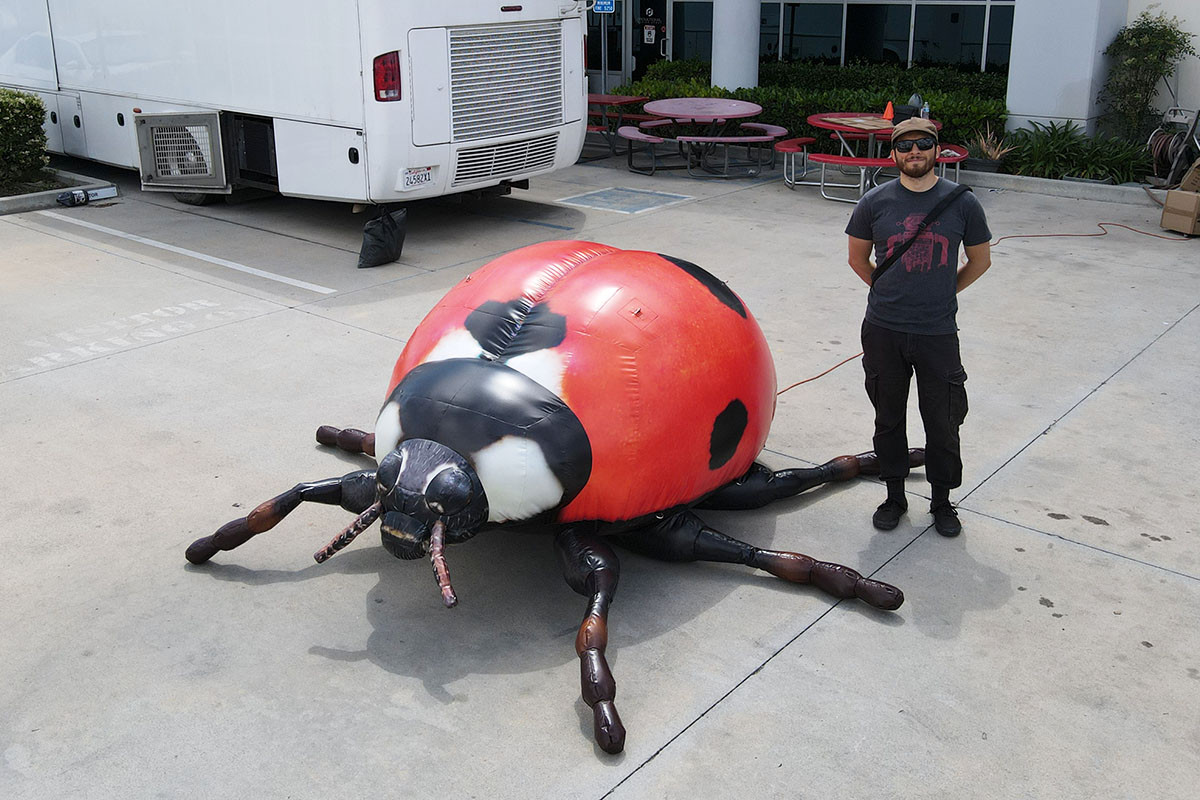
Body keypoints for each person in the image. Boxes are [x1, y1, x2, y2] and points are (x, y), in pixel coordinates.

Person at [845, 117, 992, 537]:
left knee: (943, 421)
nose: (914, 152)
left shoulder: (963, 203)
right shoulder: (873, 202)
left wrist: (944, 291)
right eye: (905, 145)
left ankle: (942, 501)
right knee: (888, 417)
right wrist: (888, 291)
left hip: (937, 332)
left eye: (923, 144)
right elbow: (857, 258)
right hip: (883, 329)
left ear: (937, 150)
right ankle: (894, 495)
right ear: (893, 153)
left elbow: (980, 261)